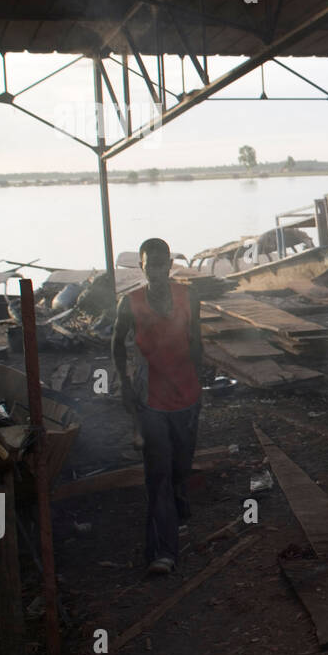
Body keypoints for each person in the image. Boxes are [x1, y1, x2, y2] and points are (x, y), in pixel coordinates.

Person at [113, 238, 204, 577]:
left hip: (188, 396)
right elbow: (116, 346)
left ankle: (179, 506)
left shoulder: (188, 296)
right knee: (159, 475)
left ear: (169, 265)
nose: (156, 269)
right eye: (150, 263)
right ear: (142, 267)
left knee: (181, 467)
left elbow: (197, 338)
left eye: (162, 262)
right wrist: (124, 382)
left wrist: (201, 381)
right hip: (150, 399)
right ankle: (161, 552)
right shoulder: (131, 302)